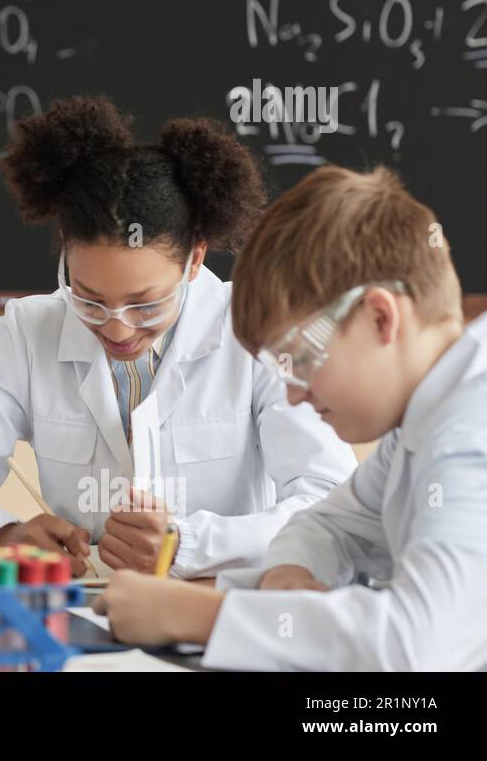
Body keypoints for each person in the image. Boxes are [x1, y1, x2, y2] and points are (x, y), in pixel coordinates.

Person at [0, 96, 355, 577]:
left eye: (145, 304)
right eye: (88, 298)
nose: (116, 326)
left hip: (217, 613)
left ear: (195, 257)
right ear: (67, 253)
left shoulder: (256, 329)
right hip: (81, 616)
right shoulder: (27, 334)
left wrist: (188, 544)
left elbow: (333, 508)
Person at [93, 166, 487, 671]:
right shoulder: (421, 425)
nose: (294, 396)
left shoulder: (467, 436)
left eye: (296, 360)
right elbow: (329, 526)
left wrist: (206, 615)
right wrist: (289, 577)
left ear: (379, 318)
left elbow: (414, 647)